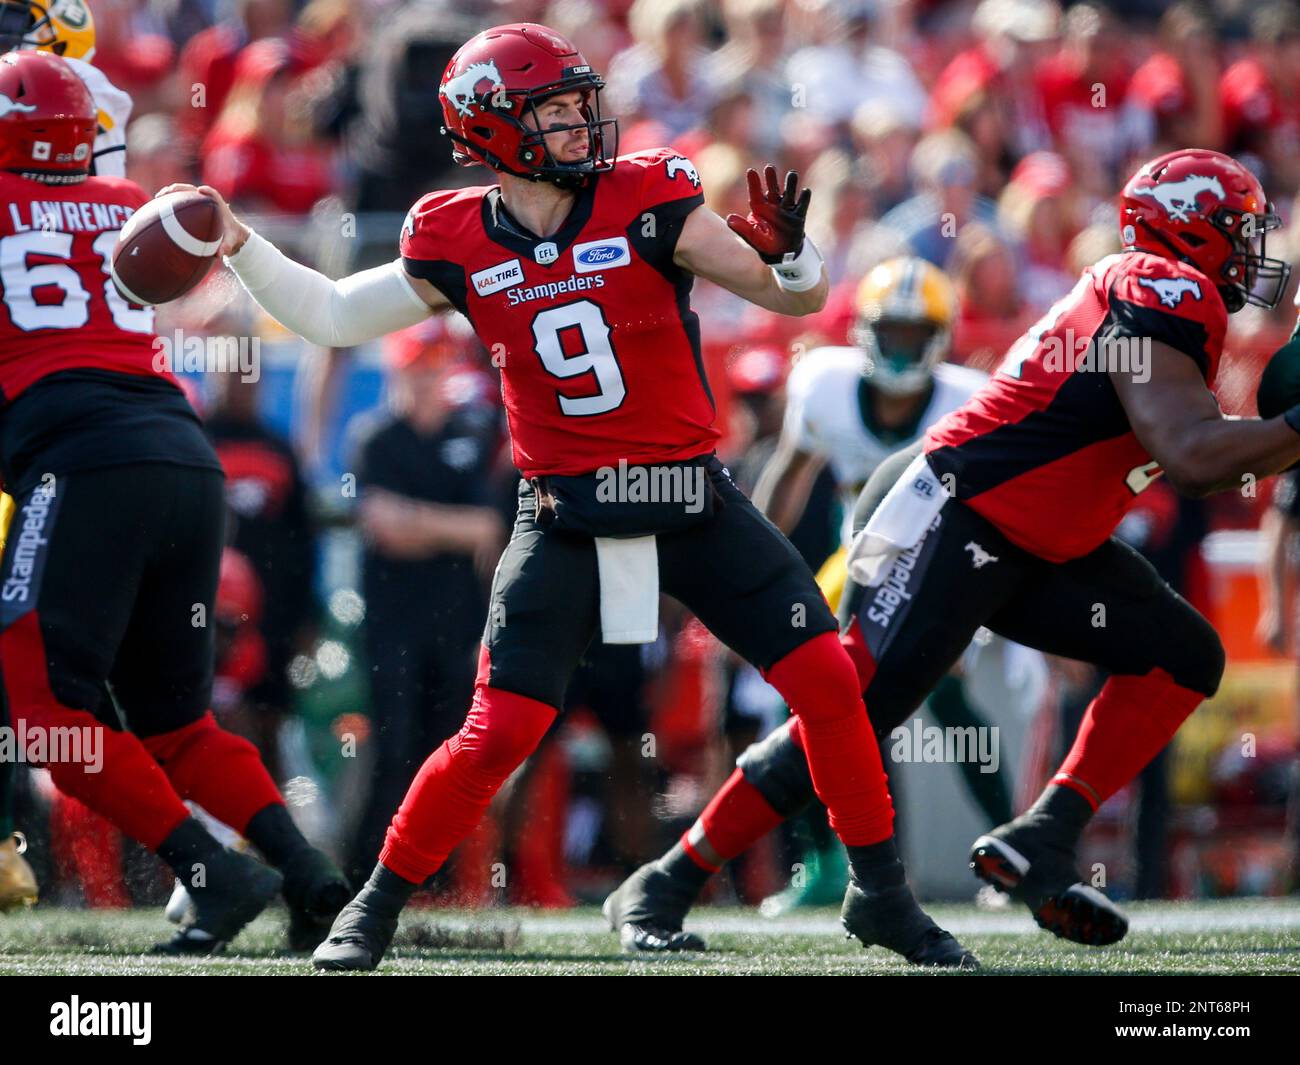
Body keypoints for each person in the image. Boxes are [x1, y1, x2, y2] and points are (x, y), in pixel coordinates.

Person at [171, 21, 976, 971]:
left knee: (830, 680)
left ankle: (881, 894)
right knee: (498, 729)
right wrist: (238, 242)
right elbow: (333, 315)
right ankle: (372, 907)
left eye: (576, 102)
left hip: (689, 497)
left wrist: (796, 258)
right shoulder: (456, 234)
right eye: (551, 110)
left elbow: (790, 298)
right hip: (564, 512)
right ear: (493, 127)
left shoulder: (648, 195)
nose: (579, 122)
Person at [611, 146, 1300, 948]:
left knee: (1182, 655)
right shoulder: (1156, 284)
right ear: (1185, 231)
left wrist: (1281, 436)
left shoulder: (1170, 299)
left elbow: (1201, 451)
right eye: (1233, 228)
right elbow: (1189, 453)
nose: (1251, 249)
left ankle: (1043, 837)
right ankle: (664, 882)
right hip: (956, 514)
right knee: (853, 717)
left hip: (1040, 539)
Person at [0, 50, 350, 953]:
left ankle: (211, 870)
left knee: (45, 714)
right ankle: (309, 875)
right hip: (184, 454)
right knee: (178, 722)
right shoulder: (124, 203)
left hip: (79, 461)